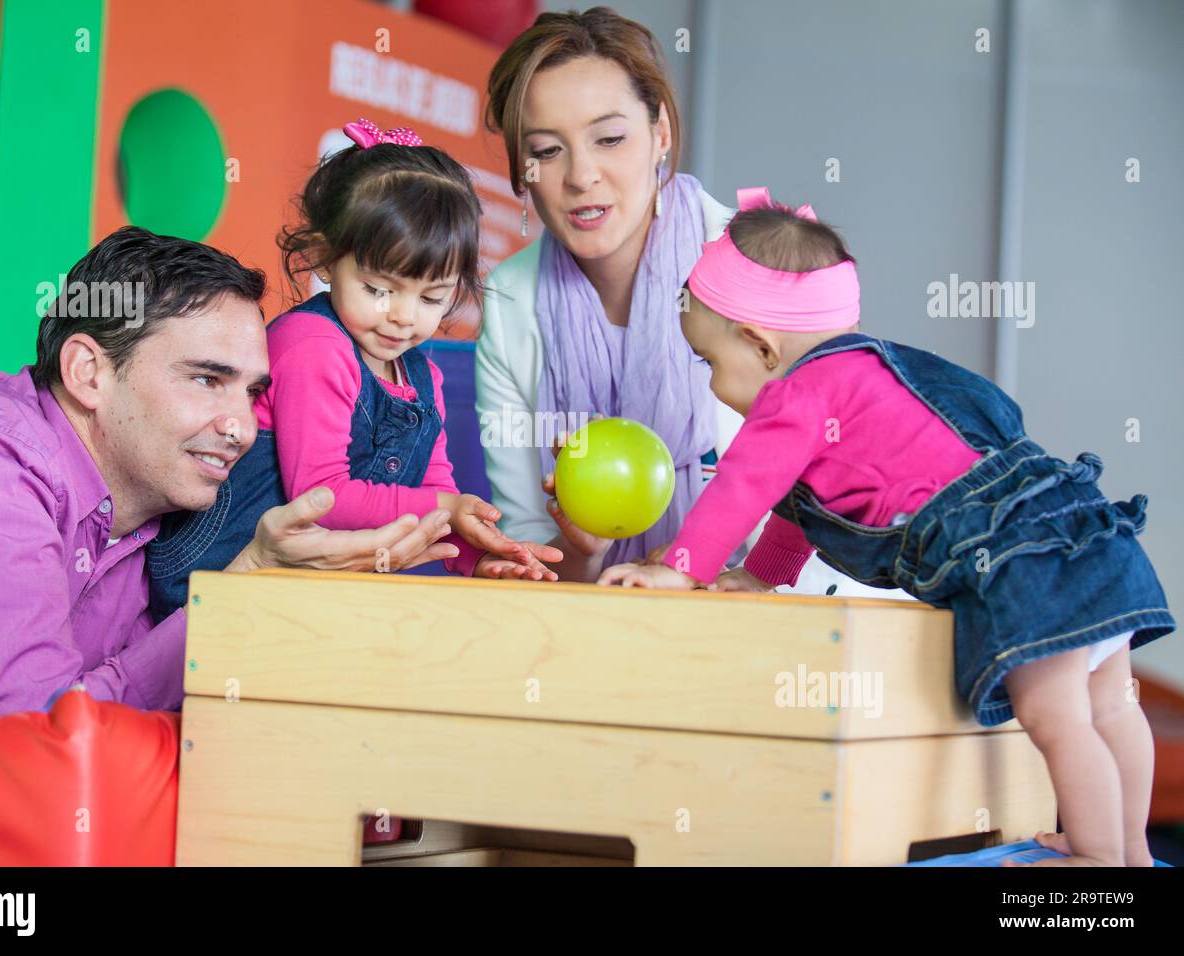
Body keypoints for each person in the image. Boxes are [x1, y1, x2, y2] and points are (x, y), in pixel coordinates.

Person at [600, 187, 1175, 867]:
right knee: (1110, 707)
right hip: (1082, 528)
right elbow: (797, 512)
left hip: (1021, 561)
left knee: (1056, 717)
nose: (710, 382)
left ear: (759, 345)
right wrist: (759, 577)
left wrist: (682, 566)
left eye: (708, 362)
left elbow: (747, 484)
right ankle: (1133, 852)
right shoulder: (876, 372)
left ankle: (1099, 860)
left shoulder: (797, 394)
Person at [0, 226, 455, 733]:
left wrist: (253, 585)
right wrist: (230, 603)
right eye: (207, 379)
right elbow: (47, 737)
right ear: (89, 372)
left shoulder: (166, 508)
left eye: (253, 393)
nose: (242, 429)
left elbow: (134, 716)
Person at [476, 6, 882, 596]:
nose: (582, 175)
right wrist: (581, 545)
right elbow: (535, 563)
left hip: (797, 612)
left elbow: (836, 487)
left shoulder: (757, 264)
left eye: (610, 138)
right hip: (607, 633)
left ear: (661, 131)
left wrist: (710, 558)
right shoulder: (512, 302)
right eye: (547, 149)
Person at [147, 119, 562, 622]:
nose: (404, 316)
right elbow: (323, 496)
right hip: (221, 573)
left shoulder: (420, 376)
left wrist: (481, 554)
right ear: (324, 258)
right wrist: (445, 509)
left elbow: (438, 493)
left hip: (306, 590)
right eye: (380, 289)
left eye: (432, 297)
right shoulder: (312, 345)